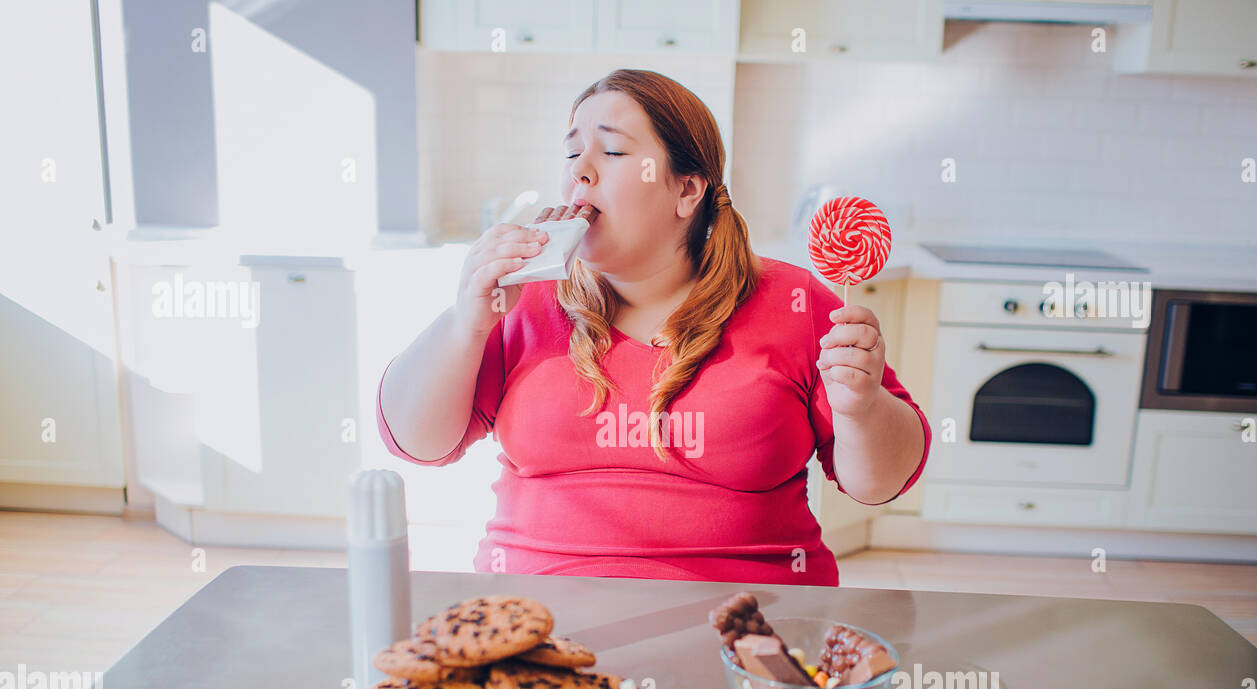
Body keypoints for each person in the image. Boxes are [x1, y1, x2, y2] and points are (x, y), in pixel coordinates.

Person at [377, 69, 930, 587]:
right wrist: (465, 324)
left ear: (687, 191)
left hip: (750, 627)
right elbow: (417, 444)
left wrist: (862, 407)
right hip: (537, 622)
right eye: (572, 152)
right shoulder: (519, 300)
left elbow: (880, 483)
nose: (579, 170)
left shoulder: (793, 302)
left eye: (612, 151)